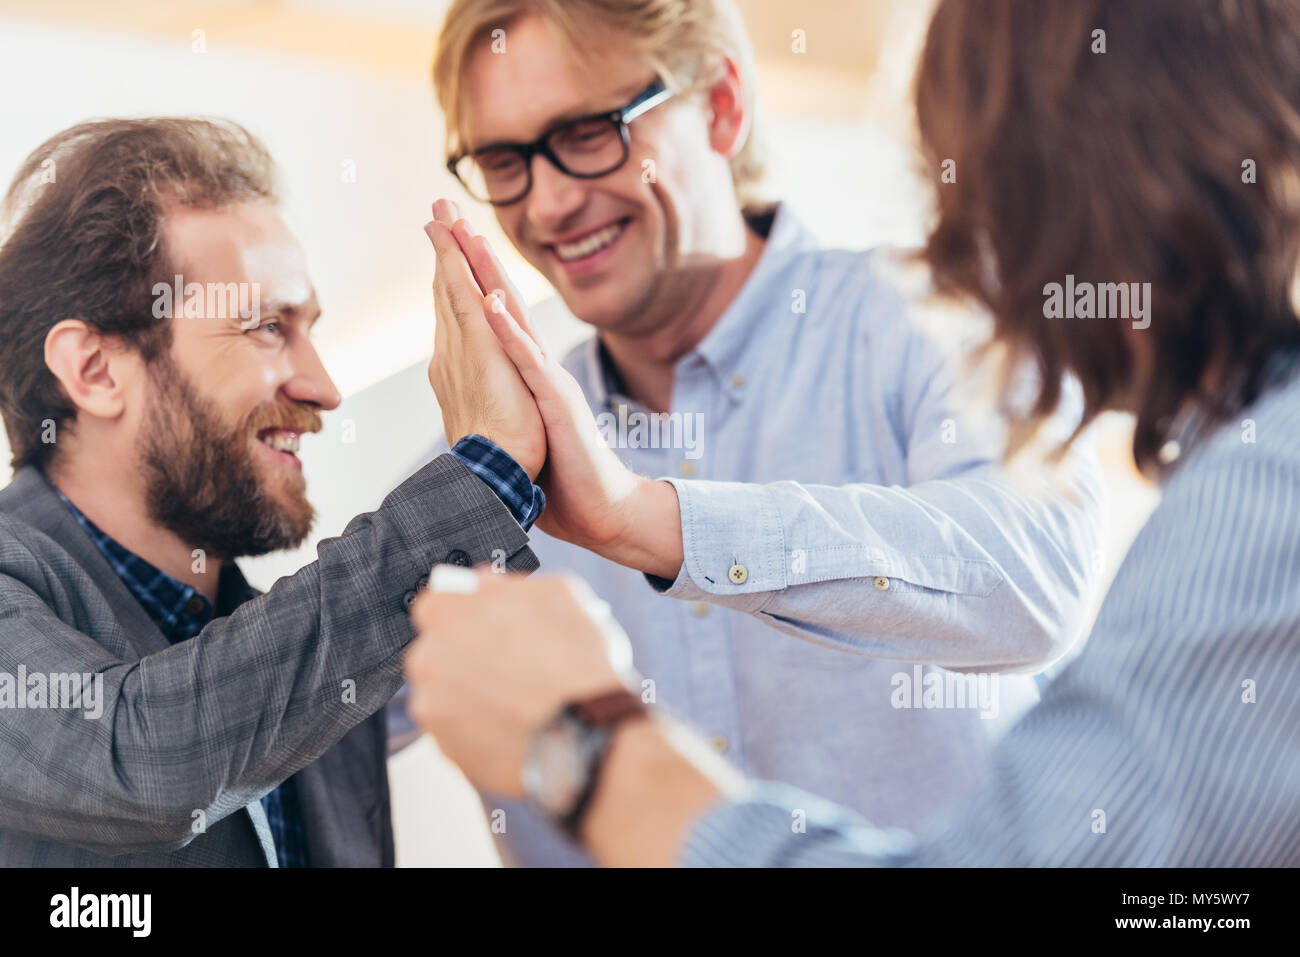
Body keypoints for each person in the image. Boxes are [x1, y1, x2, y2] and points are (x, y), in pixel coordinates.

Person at [404, 0, 1300, 866]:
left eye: (589, 133)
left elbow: (1034, 579)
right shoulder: (485, 462)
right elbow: (296, 732)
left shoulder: (943, 315)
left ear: (722, 103)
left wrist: (646, 530)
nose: (549, 202)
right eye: (503, 160)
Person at [0, 118, 548, 866]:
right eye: (265, 327)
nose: (323, 388)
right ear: (95, 370)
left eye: (310, 329)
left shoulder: (304, 658)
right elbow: (138, 757)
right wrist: (483, 475)